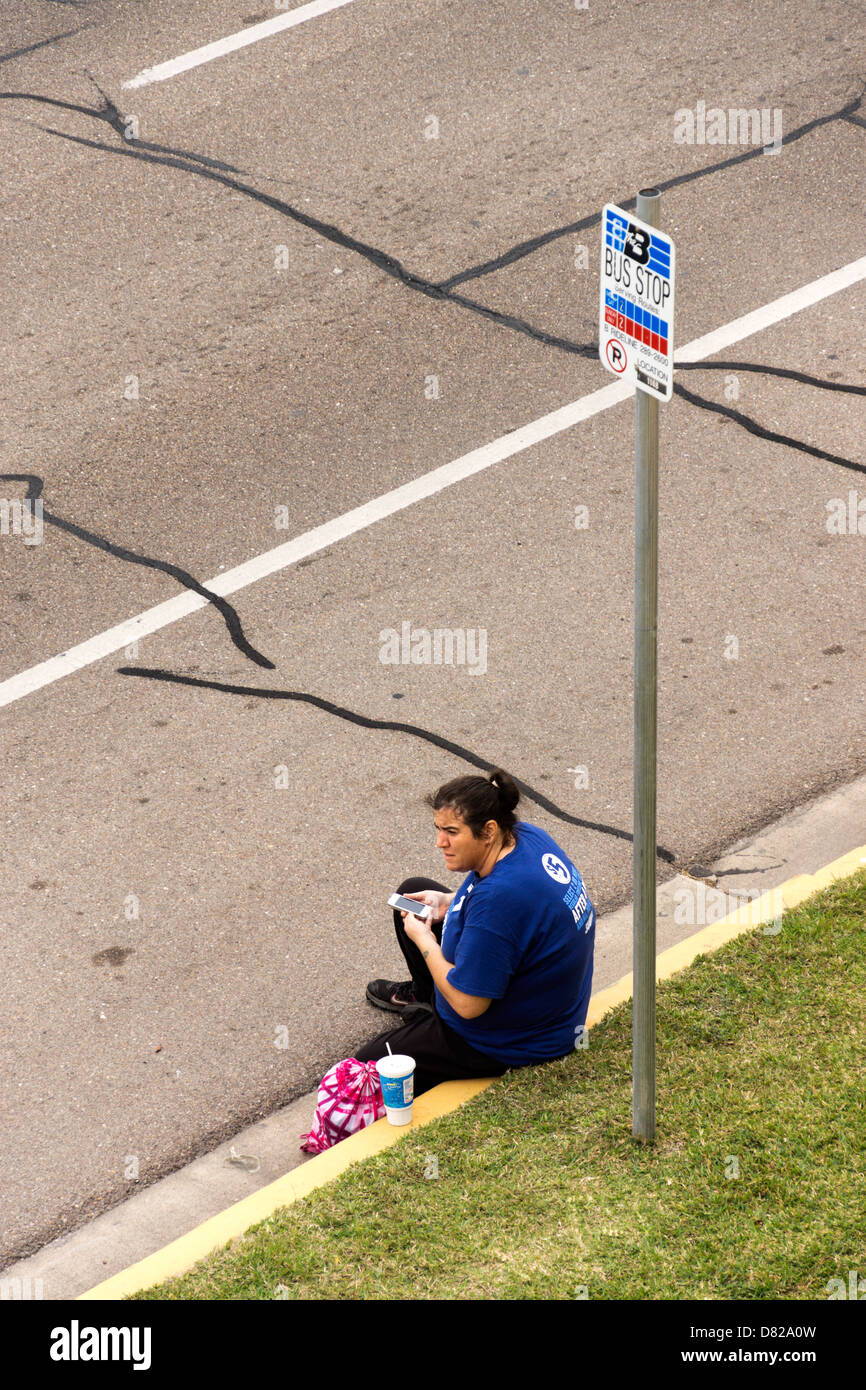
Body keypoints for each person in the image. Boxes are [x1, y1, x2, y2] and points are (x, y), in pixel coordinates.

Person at [354, 768, 596, 1096]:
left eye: (451, 832)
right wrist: (449, 901)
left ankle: (439, 1027)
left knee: (365, 1070)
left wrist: (425, 942)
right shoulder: (526, 837)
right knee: (414, 892)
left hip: (512, 1040)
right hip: (549, 1005)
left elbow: (469, 1006)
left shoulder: (499, 899)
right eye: (438, 829)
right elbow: (522, 911)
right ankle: (429, 1000)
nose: (440, 842)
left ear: (489, 830)